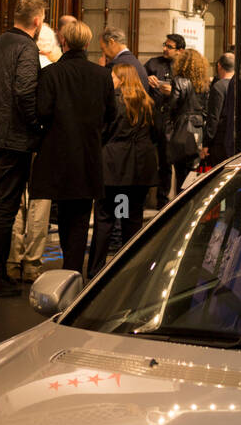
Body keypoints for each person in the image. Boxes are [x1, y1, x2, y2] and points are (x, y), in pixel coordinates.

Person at [31, 20, 116, 274]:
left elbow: (42, 112)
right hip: (88, 154)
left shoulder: (51, 74)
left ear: (63, 42)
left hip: (57, 154)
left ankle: (67, 270)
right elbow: (111, 114)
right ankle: (72, 271)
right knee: (80, 218)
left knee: (63, 215)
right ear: (88, 43)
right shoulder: (101, 75)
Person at [0, 0, 45, 297]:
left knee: (3, 206)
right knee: (5, 207)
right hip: (13, 138)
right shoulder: (27, 47)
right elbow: (25, 91)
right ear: (38, 21)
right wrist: (36, 127)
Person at [88, 63, 159, 277]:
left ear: (121, 78)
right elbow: (157, 135)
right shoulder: (148, 102)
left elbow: (102, 132)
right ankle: (130, 269)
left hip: (113, 167)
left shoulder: (112, 102)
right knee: (131, 218)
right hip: (139, 170)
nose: (110, 79)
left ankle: (96, 270)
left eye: (113, 76)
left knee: (105, 218)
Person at [7, 23, 60, 283]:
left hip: (15, 138)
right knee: (40, 204)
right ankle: (31, 264)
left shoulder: (16, 60)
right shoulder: (53, 70)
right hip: (45, 143)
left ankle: (12, 260)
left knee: (16, 202)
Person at [145, 32, 186, 206]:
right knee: (161, 162)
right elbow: (138, 82)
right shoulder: (153, 63)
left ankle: (178, 201)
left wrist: (174, 91)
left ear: (180, 51)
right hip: (155, 119)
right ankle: (160, 201)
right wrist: (147, 80)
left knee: (176, 162)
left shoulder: (184, 67)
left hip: (176, 120)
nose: (165, 49)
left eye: (169, 47)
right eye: (165, 45)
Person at [165, 47, 211, 195]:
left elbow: (172, 107)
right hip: (198, 130)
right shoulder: (204, 84)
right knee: (195, 174)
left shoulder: (179, 81)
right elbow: (207, 110)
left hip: (182, 129)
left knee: (180, 173)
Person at [99, 27, 151, 95]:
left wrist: (101, 69)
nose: (103, 54)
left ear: (111, 42)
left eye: (103, 49)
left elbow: (103, 92)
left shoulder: (115, 65)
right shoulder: (135, 61)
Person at [203, 52, 235, 164]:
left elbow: (213, 117)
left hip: (220, 140)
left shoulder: (219, 86)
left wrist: (206, 143)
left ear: (219, 66)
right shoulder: (239, 85)